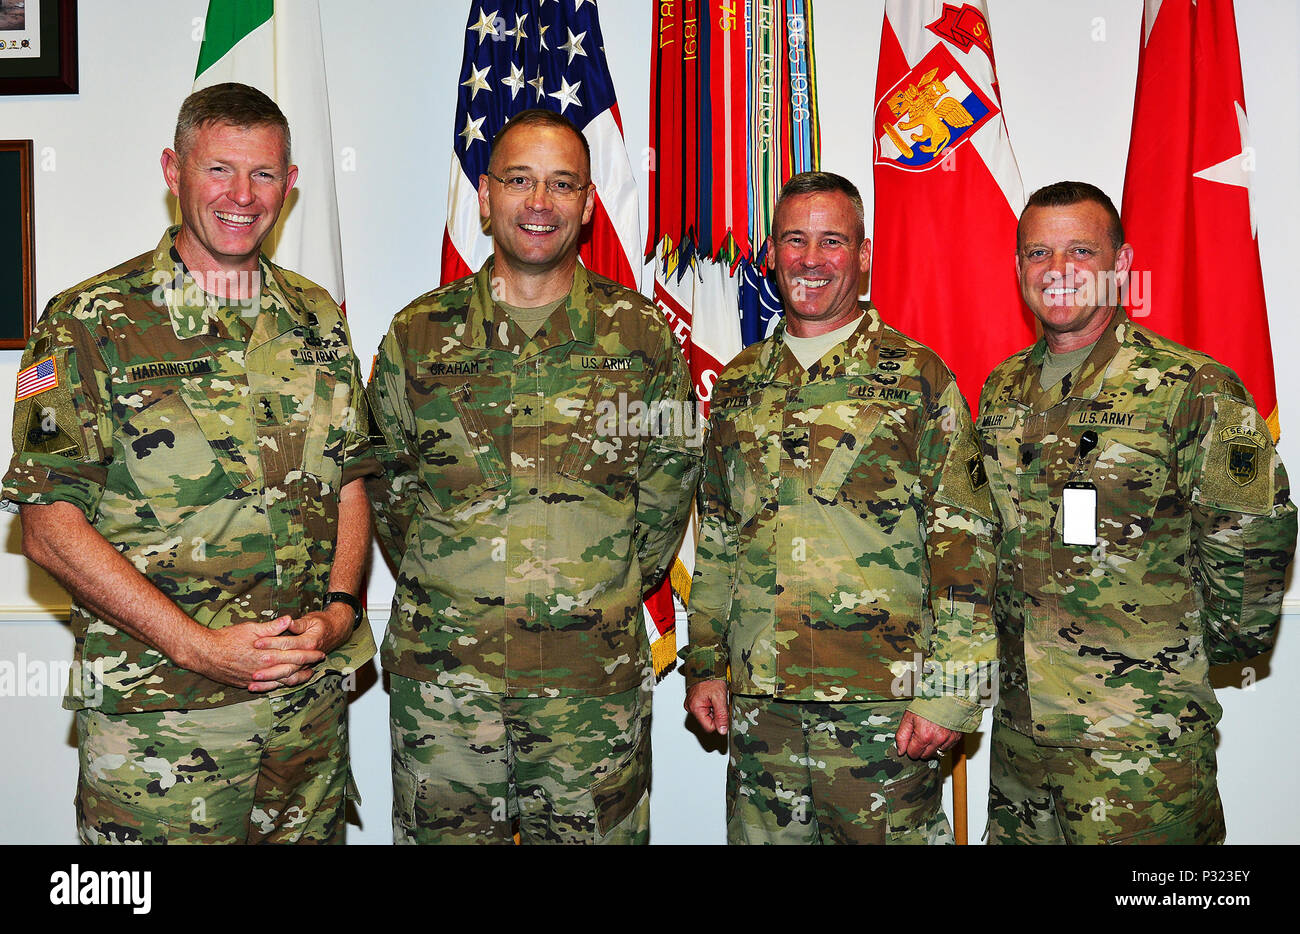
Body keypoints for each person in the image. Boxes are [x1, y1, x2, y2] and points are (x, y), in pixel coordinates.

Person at [2, 83, 378, 844]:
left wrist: (340, 610)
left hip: (305, 722)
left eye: (264, 175)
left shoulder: (317, 314)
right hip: (161, 730)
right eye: (219, 170)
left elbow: (350, 479)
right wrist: (198, 646)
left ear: (291, 183)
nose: (242, 196)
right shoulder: (89, 322)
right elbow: (47, 528)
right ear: (173, 171)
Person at [366, 109, 700, 845]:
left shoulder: (641, 338)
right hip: (446, 688)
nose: (539, 203)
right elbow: (387, 492)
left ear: (586, 203)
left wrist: (588, 590)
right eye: (519, 181)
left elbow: (669, 487)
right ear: (484, 198)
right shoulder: (416, 336)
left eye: (561, 184)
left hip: (590, 687)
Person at [683, 171, 998, 844]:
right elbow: (716, 533)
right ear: (771, 252)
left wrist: (950, 692)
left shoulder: (918, 378)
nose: (812, 258)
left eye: (833, 240)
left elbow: (965, 546)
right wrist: (706, 661)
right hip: (760, 705)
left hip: (883, 712)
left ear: (863, 254)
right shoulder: (738, 383)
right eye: (795, 239)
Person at [978, 180, 1297, 844]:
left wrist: (1184, 661)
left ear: (1121, 266)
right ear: (1018, 269)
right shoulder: (1000, 388)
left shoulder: (1196, 388)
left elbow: (1258, 526)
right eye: (1038, 252)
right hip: (1021, 745)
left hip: (1139, 753)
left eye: (1080, 252)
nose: (1058, 272)